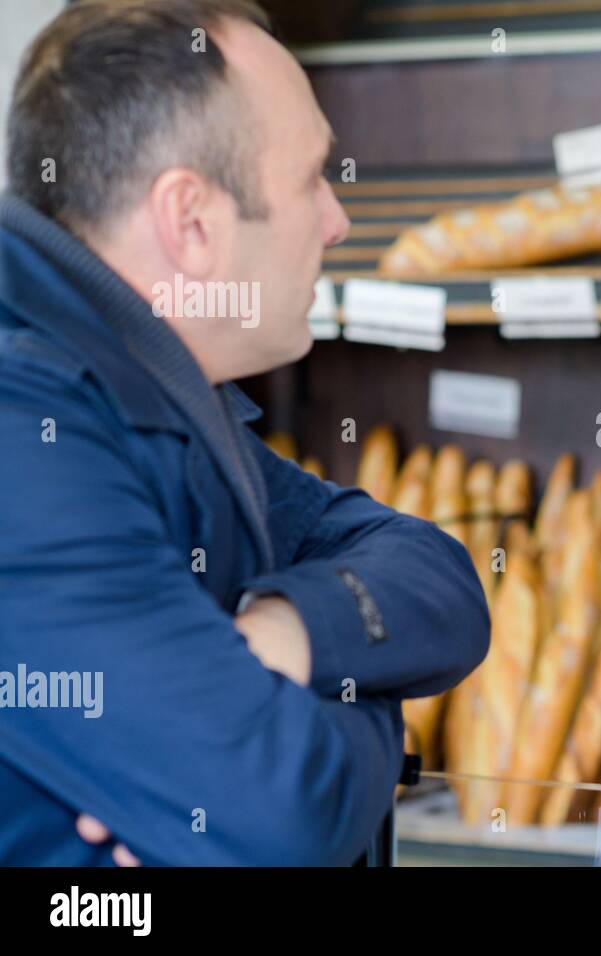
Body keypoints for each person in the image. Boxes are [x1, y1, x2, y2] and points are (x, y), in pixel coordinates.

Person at [0, 0, 490, 865]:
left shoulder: (147, 393)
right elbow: (282, 818)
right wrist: (371, 705)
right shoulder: (24, 429)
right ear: (191, 223)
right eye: (310, 178)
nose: (336, 221)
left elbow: (437, 576)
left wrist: (287, 628)